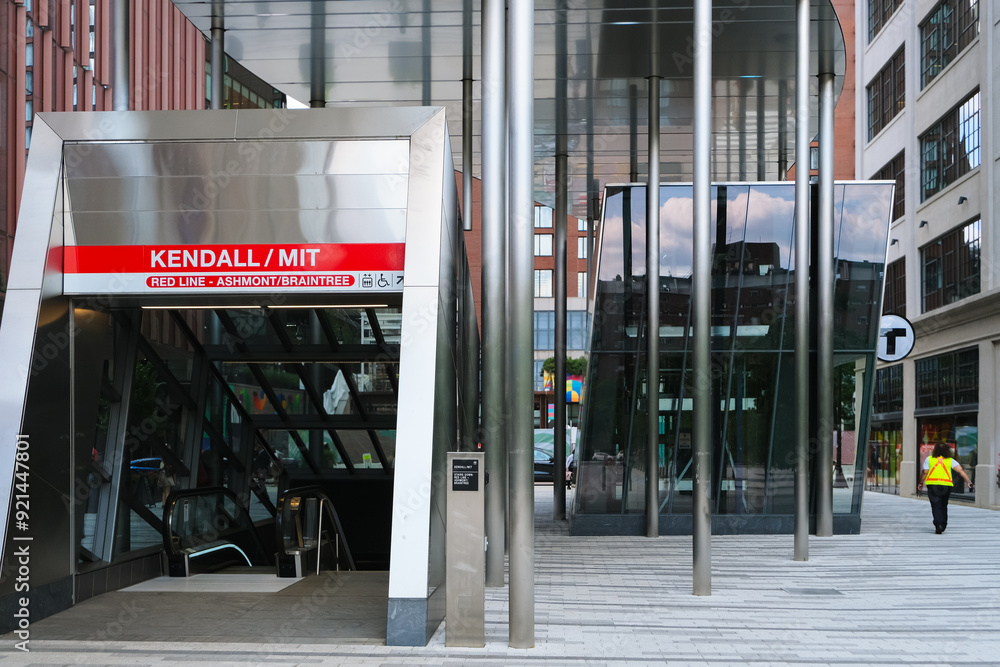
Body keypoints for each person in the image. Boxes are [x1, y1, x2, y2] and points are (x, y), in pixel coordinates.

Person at [917, 442, 973, 534]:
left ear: (935, 450)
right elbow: (960, 470)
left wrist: (920, 483)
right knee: (943, 504)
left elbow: (925, 472)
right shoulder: (950, 460)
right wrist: (968, 481)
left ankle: (938, 524)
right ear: (947, 451)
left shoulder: (929, 459)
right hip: (946, 486)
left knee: (935, 505)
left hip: (933, 484)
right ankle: (943, 524)